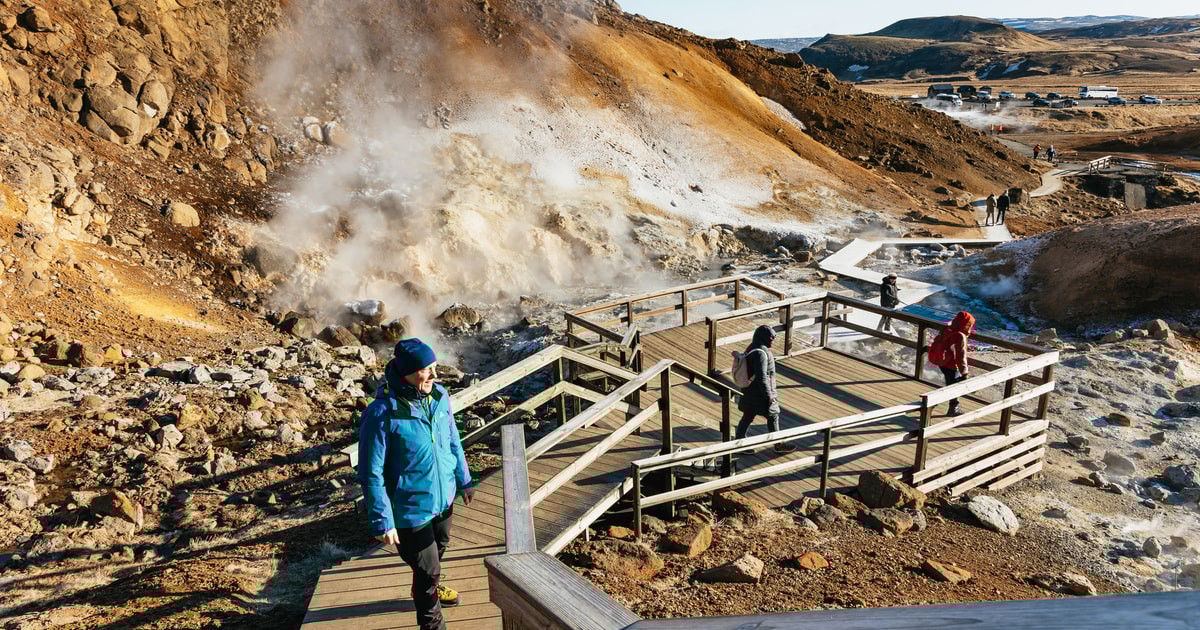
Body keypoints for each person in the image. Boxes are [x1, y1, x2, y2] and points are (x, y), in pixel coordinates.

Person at [358, 338, 475, 630]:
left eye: (434, 367)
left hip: (443, 497)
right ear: (406, 373)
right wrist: (382, 521)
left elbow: (452, 440)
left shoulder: (439, 395)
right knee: (428, 570)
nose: (434, 375)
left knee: (440, 548)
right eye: (426, 370)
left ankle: (428, 586)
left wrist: (464, 479)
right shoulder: (382, 413)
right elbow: (371, 472)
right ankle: (432, 621)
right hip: (409, 509)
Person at [736, 325, 795, 454]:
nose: (772, 340)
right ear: (763, 337)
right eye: (771, 338)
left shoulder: (752, 347)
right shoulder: (761, 353)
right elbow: (762, 377)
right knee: (773, 415)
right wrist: (769, 396)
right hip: (759, 393)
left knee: (748, 415)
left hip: (749, 390)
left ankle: (739, 443)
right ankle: (778, 445)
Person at [936, 311, 976, 416]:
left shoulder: (948, 329)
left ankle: (950, 407)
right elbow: (960, 357)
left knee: (950, 385)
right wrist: (964, 372)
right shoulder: (960, 336)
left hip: (942, 362)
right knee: (952, 387)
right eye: (970, 325)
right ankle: (932, 403)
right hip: (951, 365)